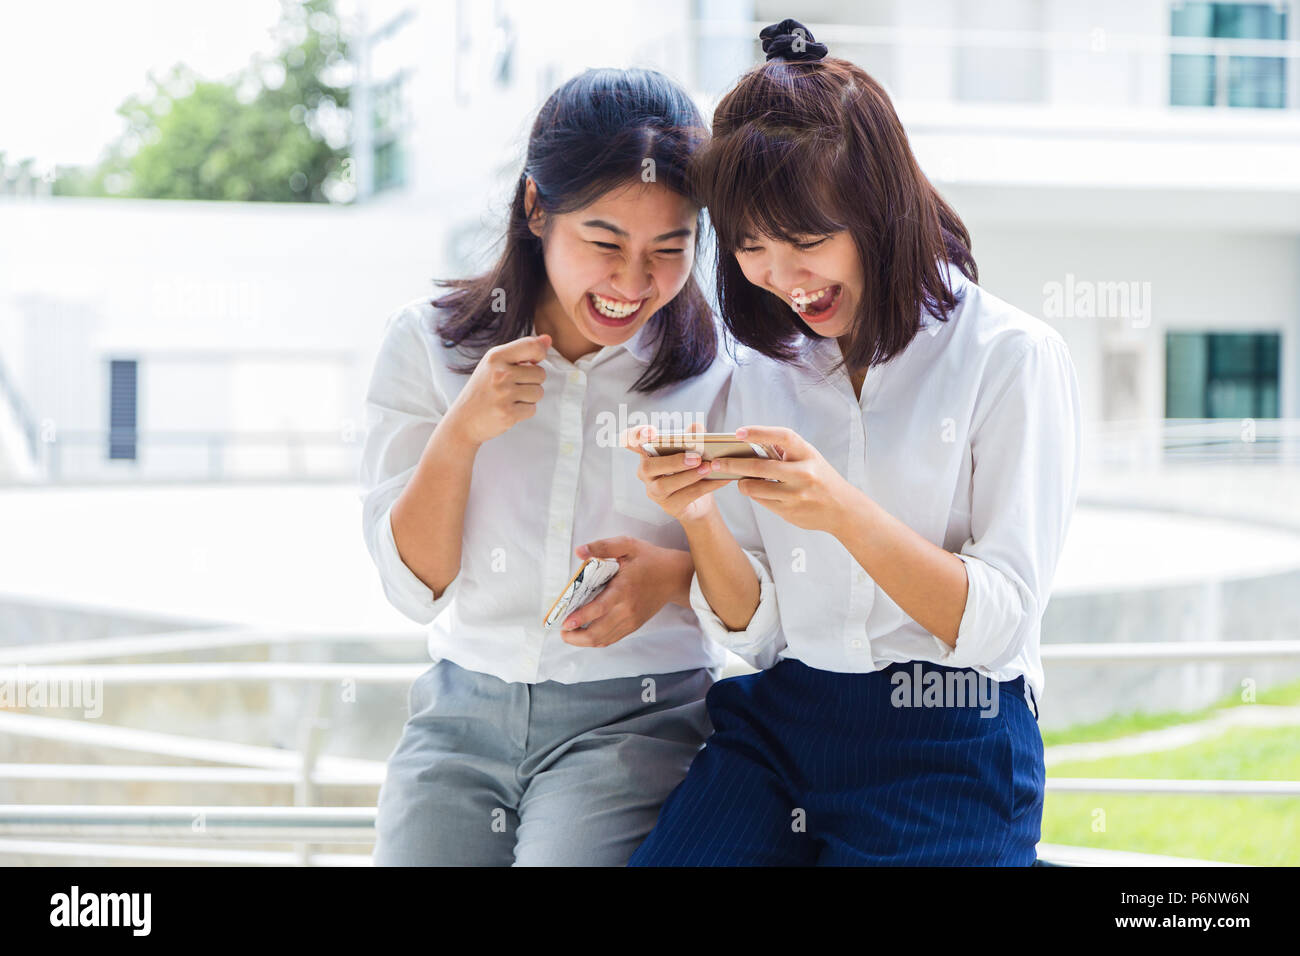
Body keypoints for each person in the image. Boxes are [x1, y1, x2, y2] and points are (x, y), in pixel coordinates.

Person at [626, 20, 1081, 866]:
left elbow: (999, 629)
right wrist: (695, 516)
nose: (780, 276)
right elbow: (756, 634)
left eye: (806, 241)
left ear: (879, 210)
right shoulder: (764, 369)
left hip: (951, 730)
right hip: (781, 723)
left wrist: (842, 511)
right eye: (752, 246)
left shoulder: (1010, 359)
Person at [358, 68, 773, 866]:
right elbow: (414, 588)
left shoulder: (722, 371)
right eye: (604, 242)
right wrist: (461, 433)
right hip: (458, 714)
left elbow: (765, 600)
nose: (631, 283)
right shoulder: (427, 347)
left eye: (669, 249)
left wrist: (674, 574)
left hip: (638, 720)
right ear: (536, 208)